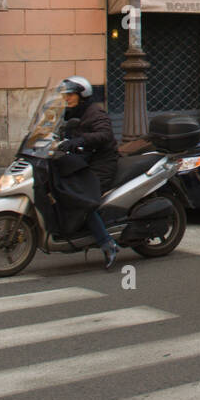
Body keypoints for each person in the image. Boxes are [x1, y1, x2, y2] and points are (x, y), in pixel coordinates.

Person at [59, 76, 122, 268]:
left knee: (82, 200)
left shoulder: (95, 112)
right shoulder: (71, 112)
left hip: (102, 163)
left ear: (82, 95)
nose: (67, 99)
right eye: (65, 95)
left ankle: (107, 243)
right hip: (82, 161)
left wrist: (80, 140)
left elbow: (105, 134)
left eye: (70, 95)